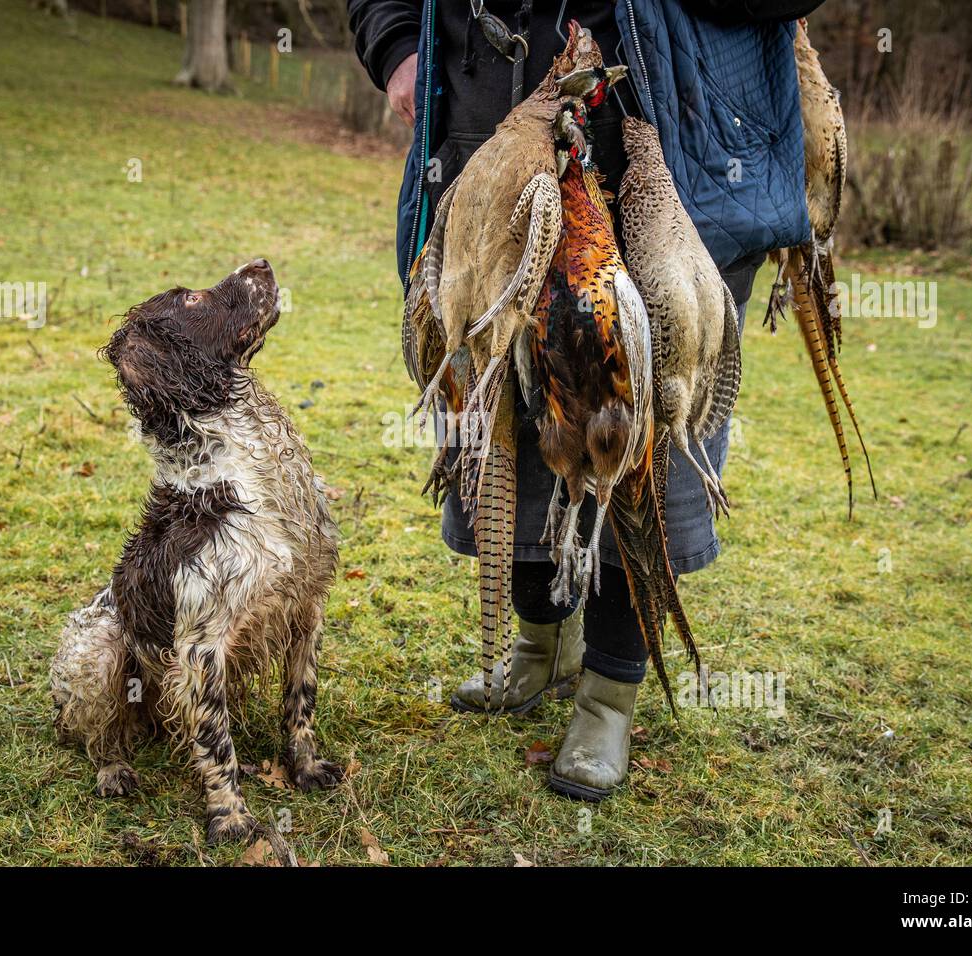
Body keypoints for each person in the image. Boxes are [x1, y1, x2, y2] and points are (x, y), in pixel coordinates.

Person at [349, 0, 822, 800]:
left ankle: (610, 691)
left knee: (634, 439)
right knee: (503, 418)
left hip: (676, 144)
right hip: (488, 131)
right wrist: (397, 46)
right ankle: (538, 647)